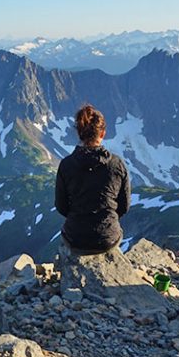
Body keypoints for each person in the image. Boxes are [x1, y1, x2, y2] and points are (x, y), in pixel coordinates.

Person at [55, 103, 131, 254]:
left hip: (75, 238)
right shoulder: (117, 164)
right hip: (107, 238)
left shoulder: (66, 165)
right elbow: (124, 206)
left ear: (79, 133)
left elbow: (61, 206)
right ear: (102, 134)